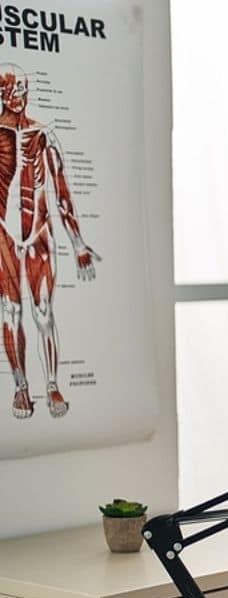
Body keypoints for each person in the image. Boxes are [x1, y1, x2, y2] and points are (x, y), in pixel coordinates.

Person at [0, 62, 100, 419]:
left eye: (21, 88)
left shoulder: (44, 136)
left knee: (43, 312)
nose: (18, 96)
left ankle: (53, 385)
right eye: (11, 89)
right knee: (11, 312)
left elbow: (61, 193)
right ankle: (21, 389)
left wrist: (78, 244)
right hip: (5, 236)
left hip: (39, 232)